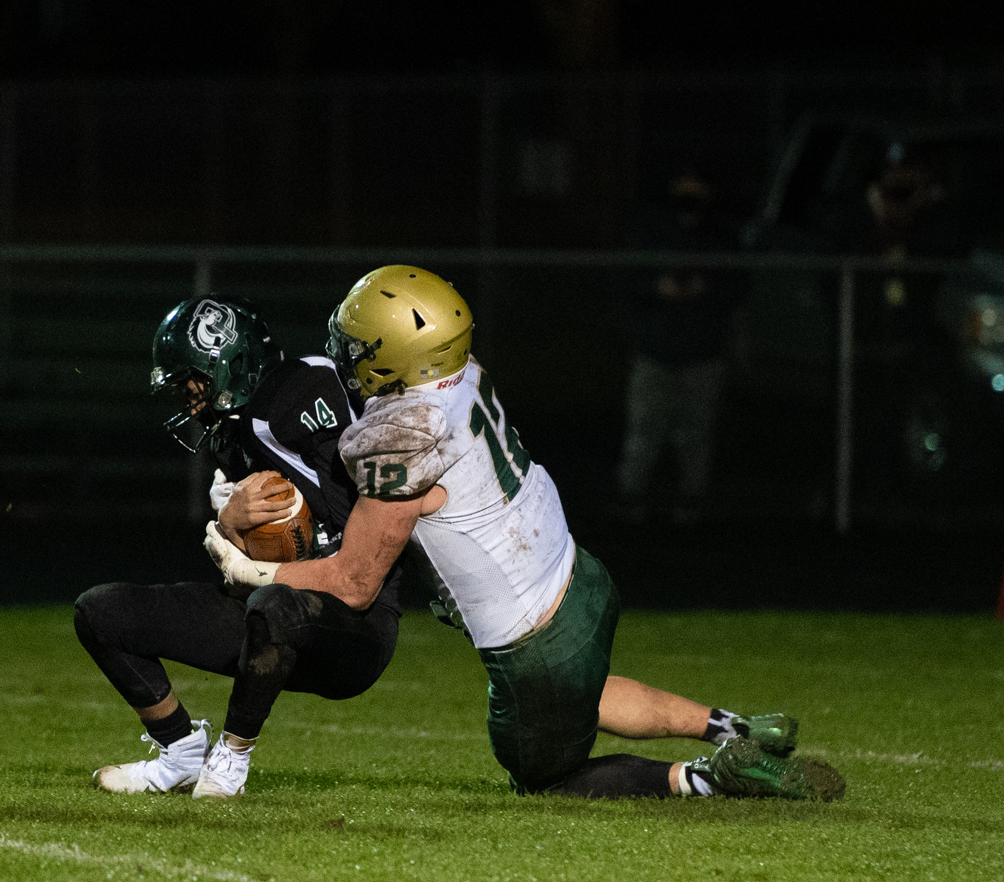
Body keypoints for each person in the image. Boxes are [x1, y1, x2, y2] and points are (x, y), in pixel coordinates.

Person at [204, 264, 845, 802]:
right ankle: (736, 726)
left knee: (544, 776)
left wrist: (251, 572)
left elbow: (355, 581)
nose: (347, 356)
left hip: (532, 639)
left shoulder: (394, 434)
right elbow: (439, 493)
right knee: (583, 695)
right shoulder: (466, 375)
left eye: (360, 345)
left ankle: (710, 778)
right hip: (579, 580)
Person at [75, 295, 403, 798]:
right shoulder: (231, 437)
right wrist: (230, 528)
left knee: (273, 604)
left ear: (225, 364)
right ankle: (180, 754)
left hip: (357, 624)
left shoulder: (307, 386)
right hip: (272, 609)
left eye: (193, 381)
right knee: (102, 612)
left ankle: (230, 760)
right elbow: (244, 567)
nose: (187, 397)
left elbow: (376, 506)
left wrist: (296, 528)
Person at [616, 170, 748, 525]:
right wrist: (659, 287)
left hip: (702, 353)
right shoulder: (650, 231)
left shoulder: (721, 236)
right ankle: (630, 510)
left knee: (696, 438)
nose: (690, 191)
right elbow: (627, 280)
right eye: (683, 183)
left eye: (698, 184)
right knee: (643, 435)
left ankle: (689, 514)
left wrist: (707, 289)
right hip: (656, 351)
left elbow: (738, 286)